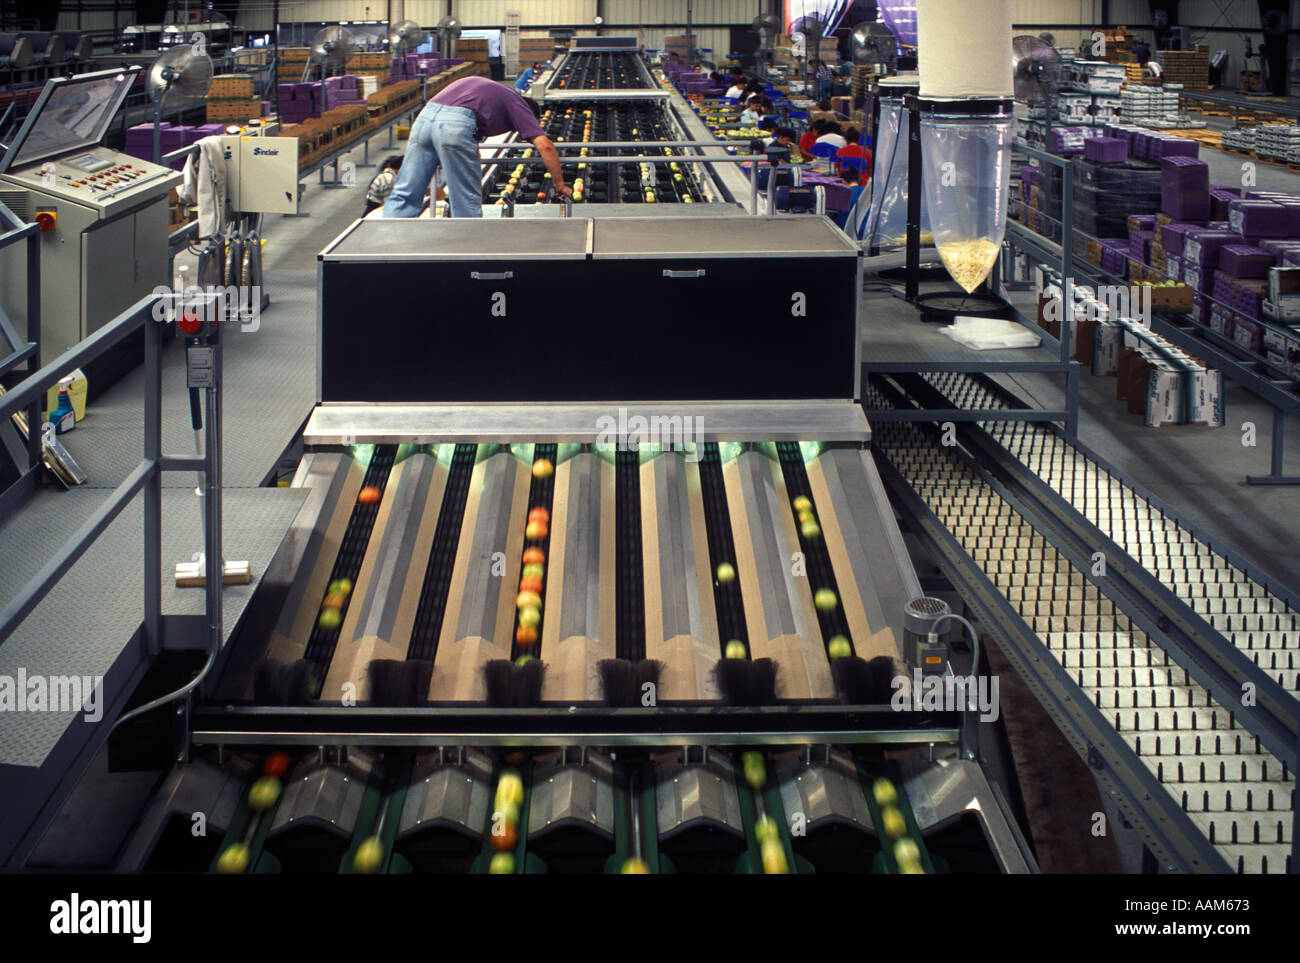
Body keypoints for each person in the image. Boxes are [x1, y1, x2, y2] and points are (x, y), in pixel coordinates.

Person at [384, 75, 572, 218]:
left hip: (424, 119)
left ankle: (384, 244)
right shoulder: (519, 104)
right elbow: (545, 146)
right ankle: (469, 256)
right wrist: (560, 184)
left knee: (405, 192)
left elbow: (465, 118)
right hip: (454, 126)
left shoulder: (495, 93)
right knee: (466, 201)